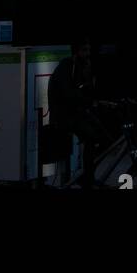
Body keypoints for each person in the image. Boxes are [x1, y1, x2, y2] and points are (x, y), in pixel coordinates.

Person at [47, 39, 113, 187]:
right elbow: (69, 94)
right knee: (91, 136)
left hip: (77, 112)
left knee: (106, 138)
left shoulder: (84, 67)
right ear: (76, 52)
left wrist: (101, 102)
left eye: (89, 50)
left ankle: (88, 174)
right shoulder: (66, 66)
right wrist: (91, 102)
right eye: (84, 50)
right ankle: (87, 177)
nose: (87, 54)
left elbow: (87, 92)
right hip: (63, 115)